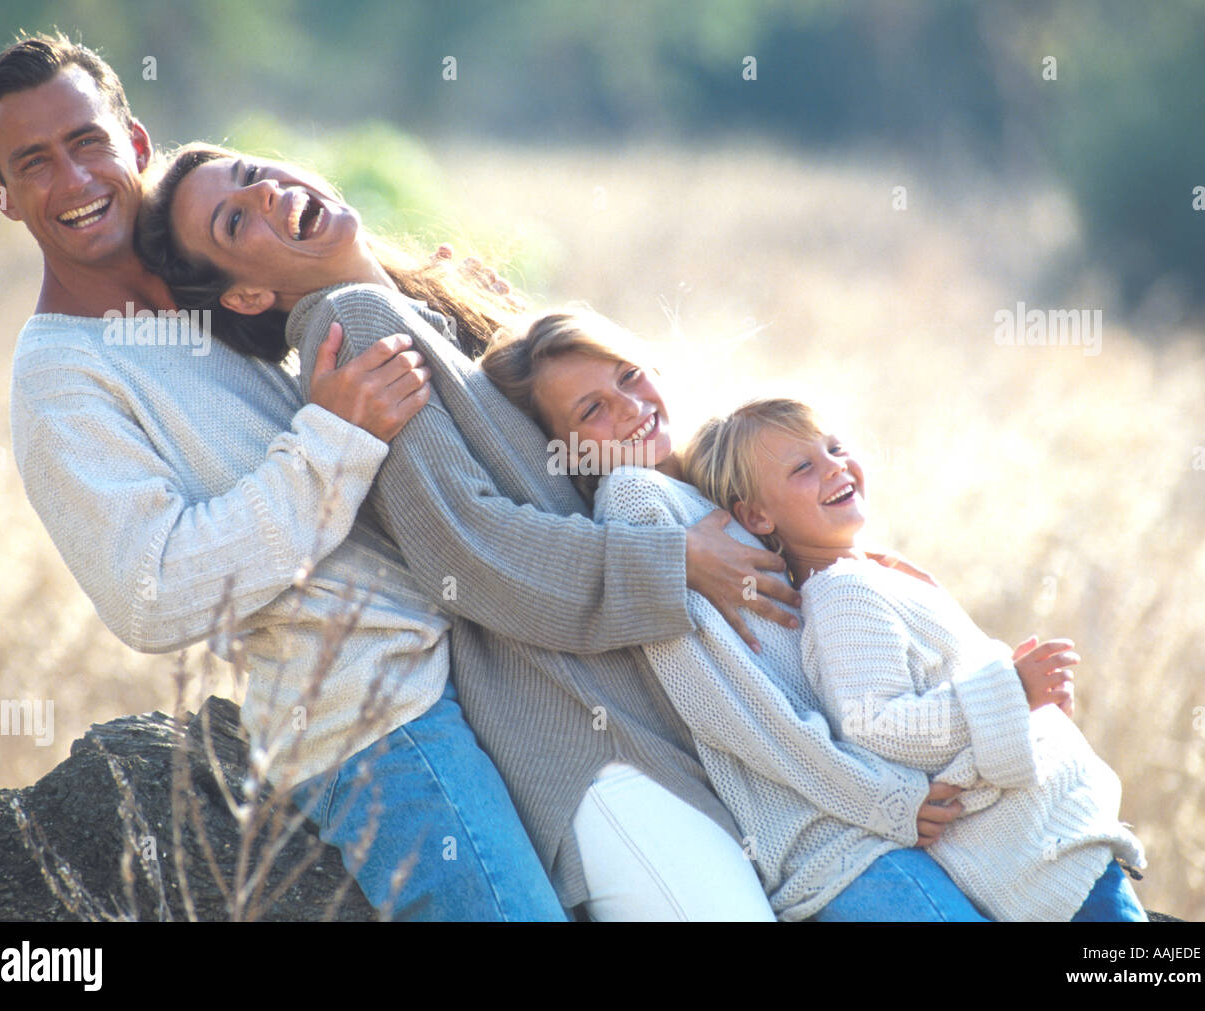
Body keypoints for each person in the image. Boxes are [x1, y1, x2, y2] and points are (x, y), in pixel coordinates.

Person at [134, 142, 977, 921]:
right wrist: (675, 558)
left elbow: (605, 465)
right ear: (245, 293)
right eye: (234, 219)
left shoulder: (412, 308)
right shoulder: (349, 322)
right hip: (589, 749)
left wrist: (820, 557)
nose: (265, 192)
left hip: (645, 736)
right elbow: (468, 548)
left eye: (251, 171)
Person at [0, 32, 565, 920]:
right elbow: (152, 592)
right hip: (374, 720)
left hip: (489, 670)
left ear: (135, 144)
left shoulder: (220, 272)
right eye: (35, 163)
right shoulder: (62, 379)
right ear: (5, 197)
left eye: (87, 142)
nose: (74, 180)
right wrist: (332, 438)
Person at [479, 309, 1147, 921]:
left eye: (630, 375)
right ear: (562, 447)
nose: (630, 406)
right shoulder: (637, 503)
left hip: (891, 822)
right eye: (594, 408)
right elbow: (730, 706)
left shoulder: (700, 490)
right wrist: (882, 799)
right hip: (841, 841)